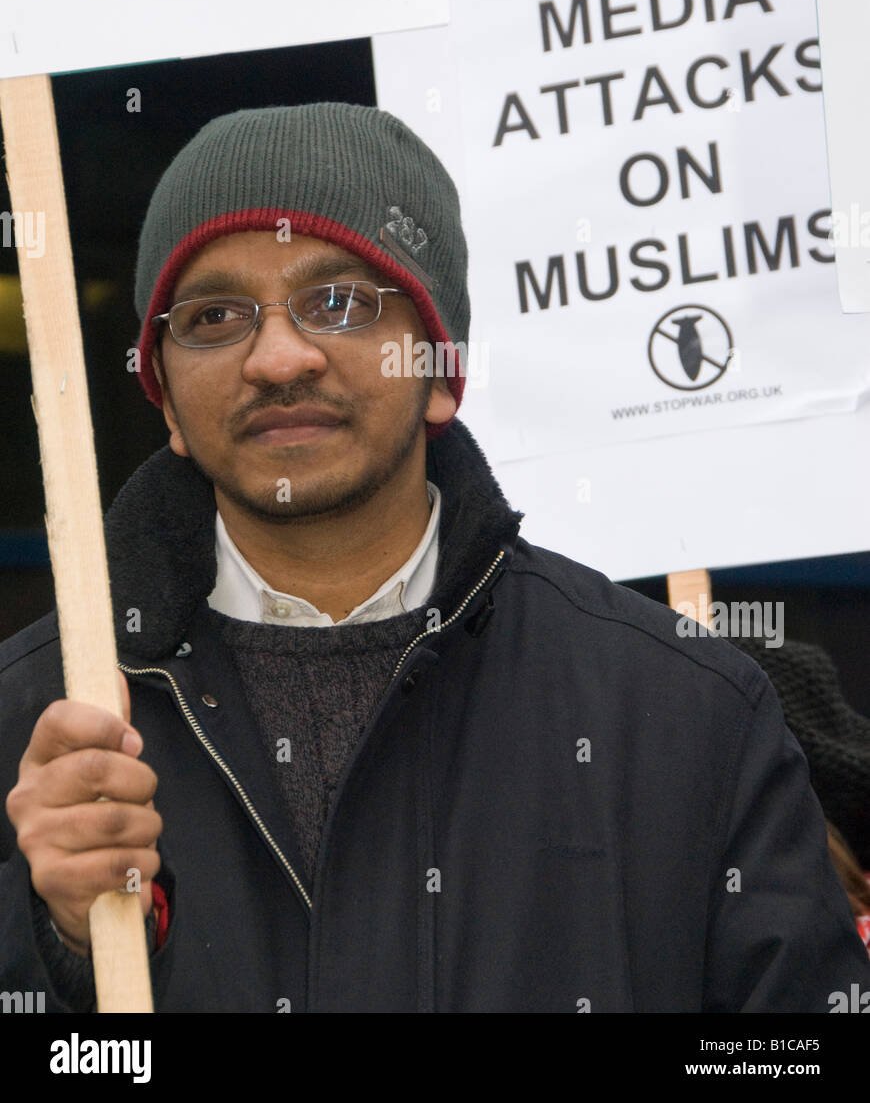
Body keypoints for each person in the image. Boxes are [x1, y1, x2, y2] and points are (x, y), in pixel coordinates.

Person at [1, 102, 868, 1013]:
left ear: (440, 367)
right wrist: (64, 948)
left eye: (339, 302)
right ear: (167, 401)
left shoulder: (689, 714)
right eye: (214, 315)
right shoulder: (44, 725)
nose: (278, 358)